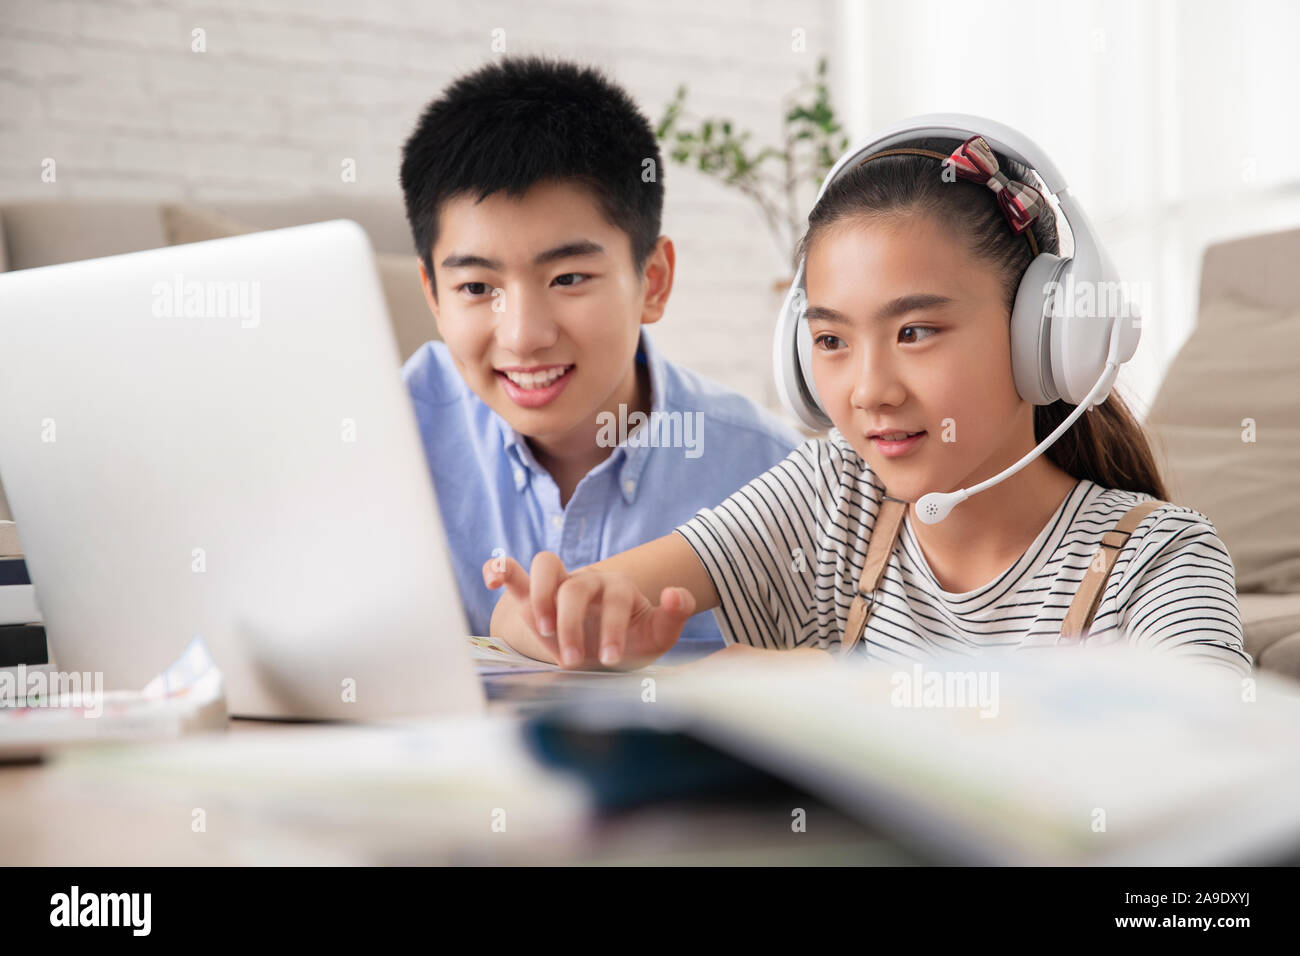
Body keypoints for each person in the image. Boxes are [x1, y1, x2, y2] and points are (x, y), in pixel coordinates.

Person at [484, 132, 1253, 679]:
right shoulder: (836, 494)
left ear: (1044, 335)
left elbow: (1220, 812)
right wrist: (569, 618)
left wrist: (838, 695)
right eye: (831, 341)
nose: (869, 391)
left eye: (915, 331)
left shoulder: (1159, 562)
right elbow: (539, 616)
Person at [398, 55, 803, 653]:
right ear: (433, 293)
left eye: (567, 278)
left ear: (654, 280)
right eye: (477, 288)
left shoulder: (770, 476)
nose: (523, 336)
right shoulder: (391, 432)